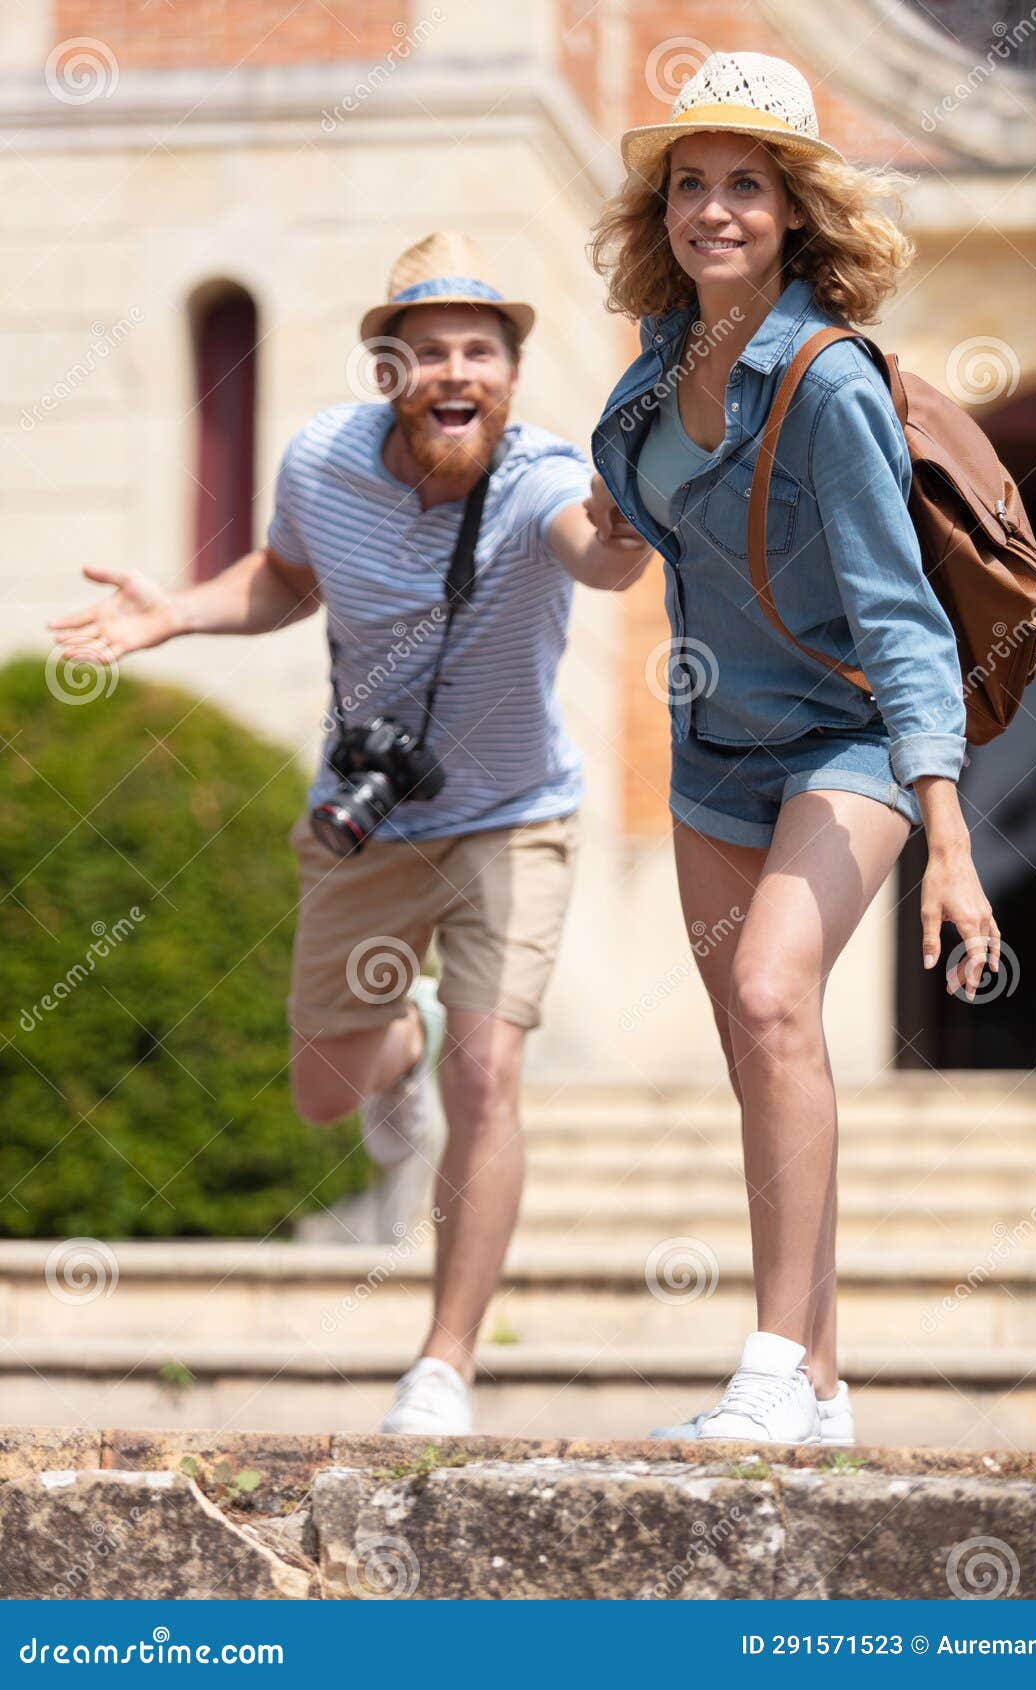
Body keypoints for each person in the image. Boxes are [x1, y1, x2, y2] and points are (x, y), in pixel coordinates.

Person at [47, 230, 652, 1436]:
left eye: (479, 348)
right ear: (388, 367)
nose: (453, 370)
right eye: (426, 350)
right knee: (327, 1092)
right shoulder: (322, 458)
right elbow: (283, 578)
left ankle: (443, 1363)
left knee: (491, 1073)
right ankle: (398, 1048)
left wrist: (625, 522)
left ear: (511, 373)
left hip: (513, 818)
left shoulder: (542, 477)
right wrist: (178, 611)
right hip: (367, 815)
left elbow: (600, 561)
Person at [587, 53, 998, 1445]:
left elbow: (898, 618)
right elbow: (623, 538)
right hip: (709, 751)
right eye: (690, 184)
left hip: (847, 740)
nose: (712, 209)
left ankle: (766, 1358)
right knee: (762, 1042)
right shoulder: (649, 375)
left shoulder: (822, 383)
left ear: (791, 211)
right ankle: (816, 1377)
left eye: (742, 186)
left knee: (769, 995)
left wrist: (951, 839)